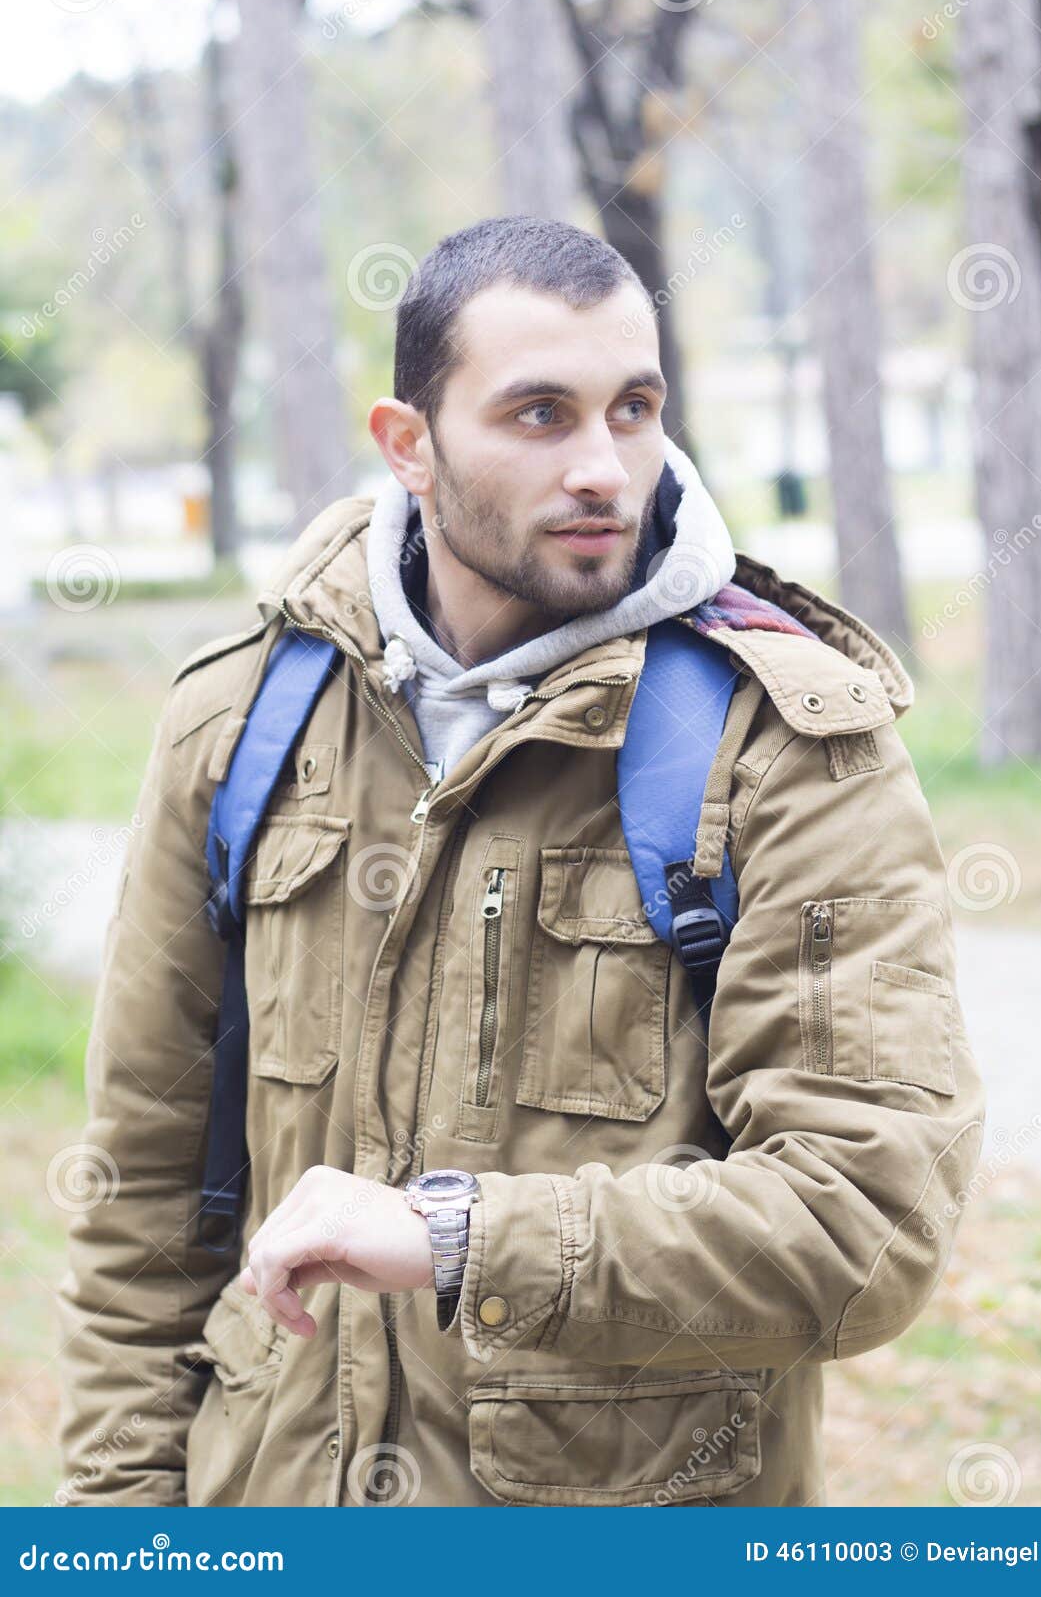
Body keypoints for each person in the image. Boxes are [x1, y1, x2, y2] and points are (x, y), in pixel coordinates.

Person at [57, 214, 984, 1508]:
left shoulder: (788, 744)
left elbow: (864, 1221)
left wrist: (458, 1235)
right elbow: (142, 1209)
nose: (606, 467)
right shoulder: (242, 723)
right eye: (540, 414)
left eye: (635, 408)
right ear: (410, 446)